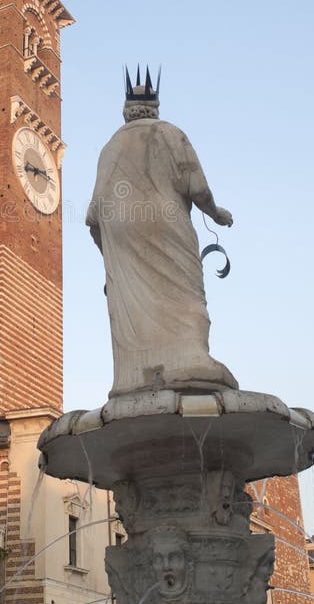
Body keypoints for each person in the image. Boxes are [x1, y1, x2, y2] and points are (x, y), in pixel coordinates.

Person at [86, 69, 237, 396]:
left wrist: (111, 263)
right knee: (184, 289)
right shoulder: (169, 132)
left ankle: (132, 373)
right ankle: (190, 358)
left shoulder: (109, 148)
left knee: (134, 298)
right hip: (165, 220)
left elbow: (95, 216)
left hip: (120, 230)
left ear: (126, 111)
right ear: (154, 108)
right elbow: (198, 188)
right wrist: (217, 214)